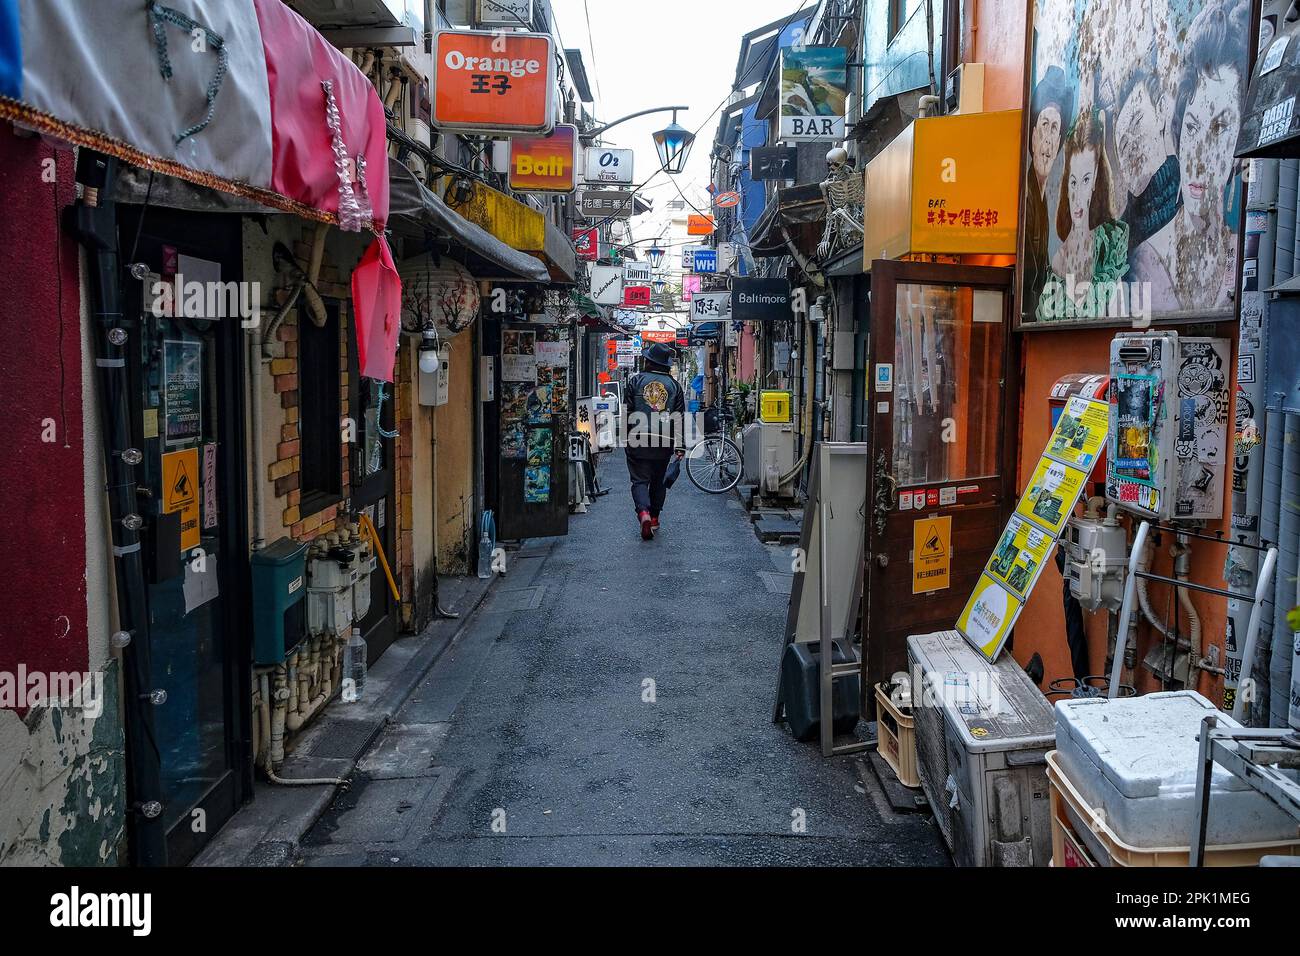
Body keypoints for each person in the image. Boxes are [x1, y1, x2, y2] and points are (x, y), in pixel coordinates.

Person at [1036, 110, 1130, 322]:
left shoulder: (1109, 248)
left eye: (1086, 180)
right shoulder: (1057, 260)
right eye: (1074, 182)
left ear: (1096, 178)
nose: (1077, 197)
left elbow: (1120, 321)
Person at [1023, 65, 1074, 320]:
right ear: (1032, 133)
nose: (1048, 140)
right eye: (1044, 124)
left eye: (1055, 128)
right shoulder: (1027, 198)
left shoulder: (1046, 202)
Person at [622, 342, 685, 540]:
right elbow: (678, 417)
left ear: (648, 361)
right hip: (664, 440)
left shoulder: (635, 381)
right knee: (658, 480)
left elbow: (626, 412)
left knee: (640, 480)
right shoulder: (674, 386)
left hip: (637, 438)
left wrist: (624, 437)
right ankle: (655, 518)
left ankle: (643, 513)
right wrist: (680, 446)